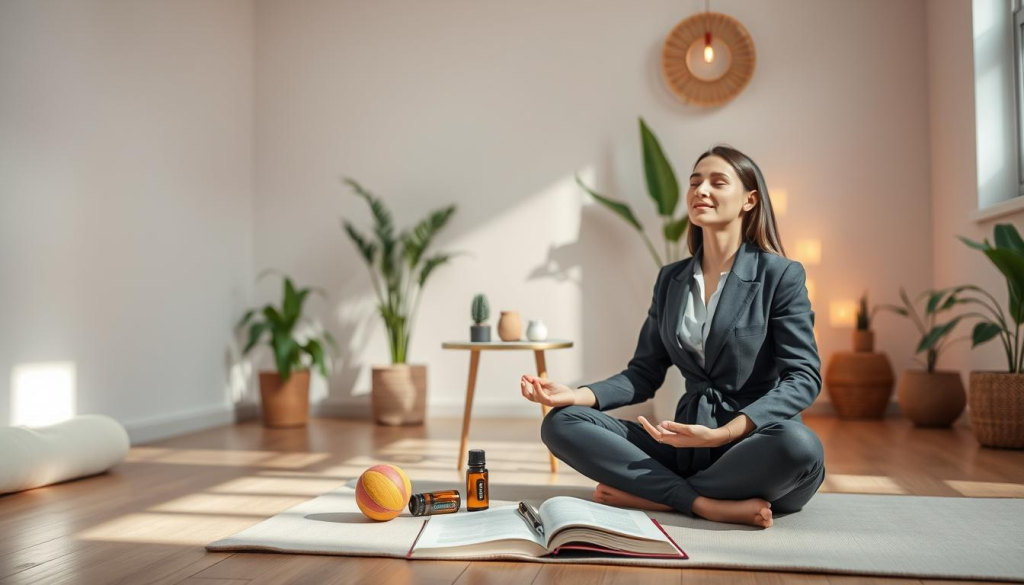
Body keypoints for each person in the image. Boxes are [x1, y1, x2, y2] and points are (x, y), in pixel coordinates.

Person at [521, 145, 825, 529]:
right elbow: (643, 374)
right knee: (561, 423)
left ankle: (658, 496)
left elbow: (804, 378)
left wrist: (722, 434)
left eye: (717, 182)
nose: (701, 190)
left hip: (756, 447)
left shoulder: (780, 275)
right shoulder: (671, 280)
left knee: (800, 446)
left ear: (750, 200)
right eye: (695, 182)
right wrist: (575, 395)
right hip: (685, 445)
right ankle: (702, 503)